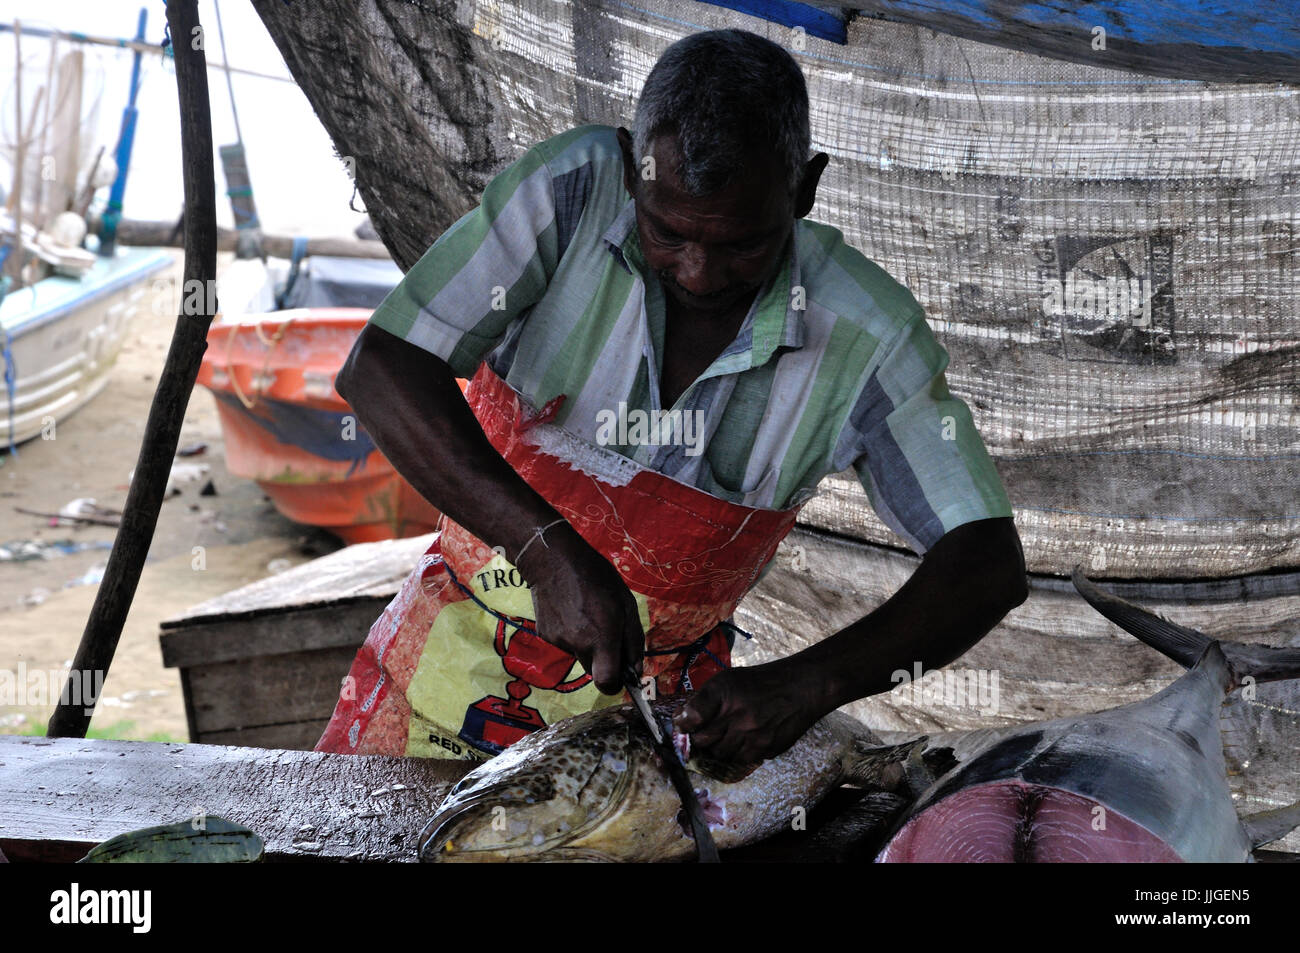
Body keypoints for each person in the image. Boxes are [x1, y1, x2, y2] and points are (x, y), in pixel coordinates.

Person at [315, 28, 1027, 765]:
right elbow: (382, 366)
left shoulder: (866, 334)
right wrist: (545, 552)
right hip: (430, 690)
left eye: (743, 245)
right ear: (632, 168)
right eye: (668, 232)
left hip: (657, 744)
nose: (699, 273)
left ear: (805, 188)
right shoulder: (575, 192)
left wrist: (808, 685)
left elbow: (984, 560)